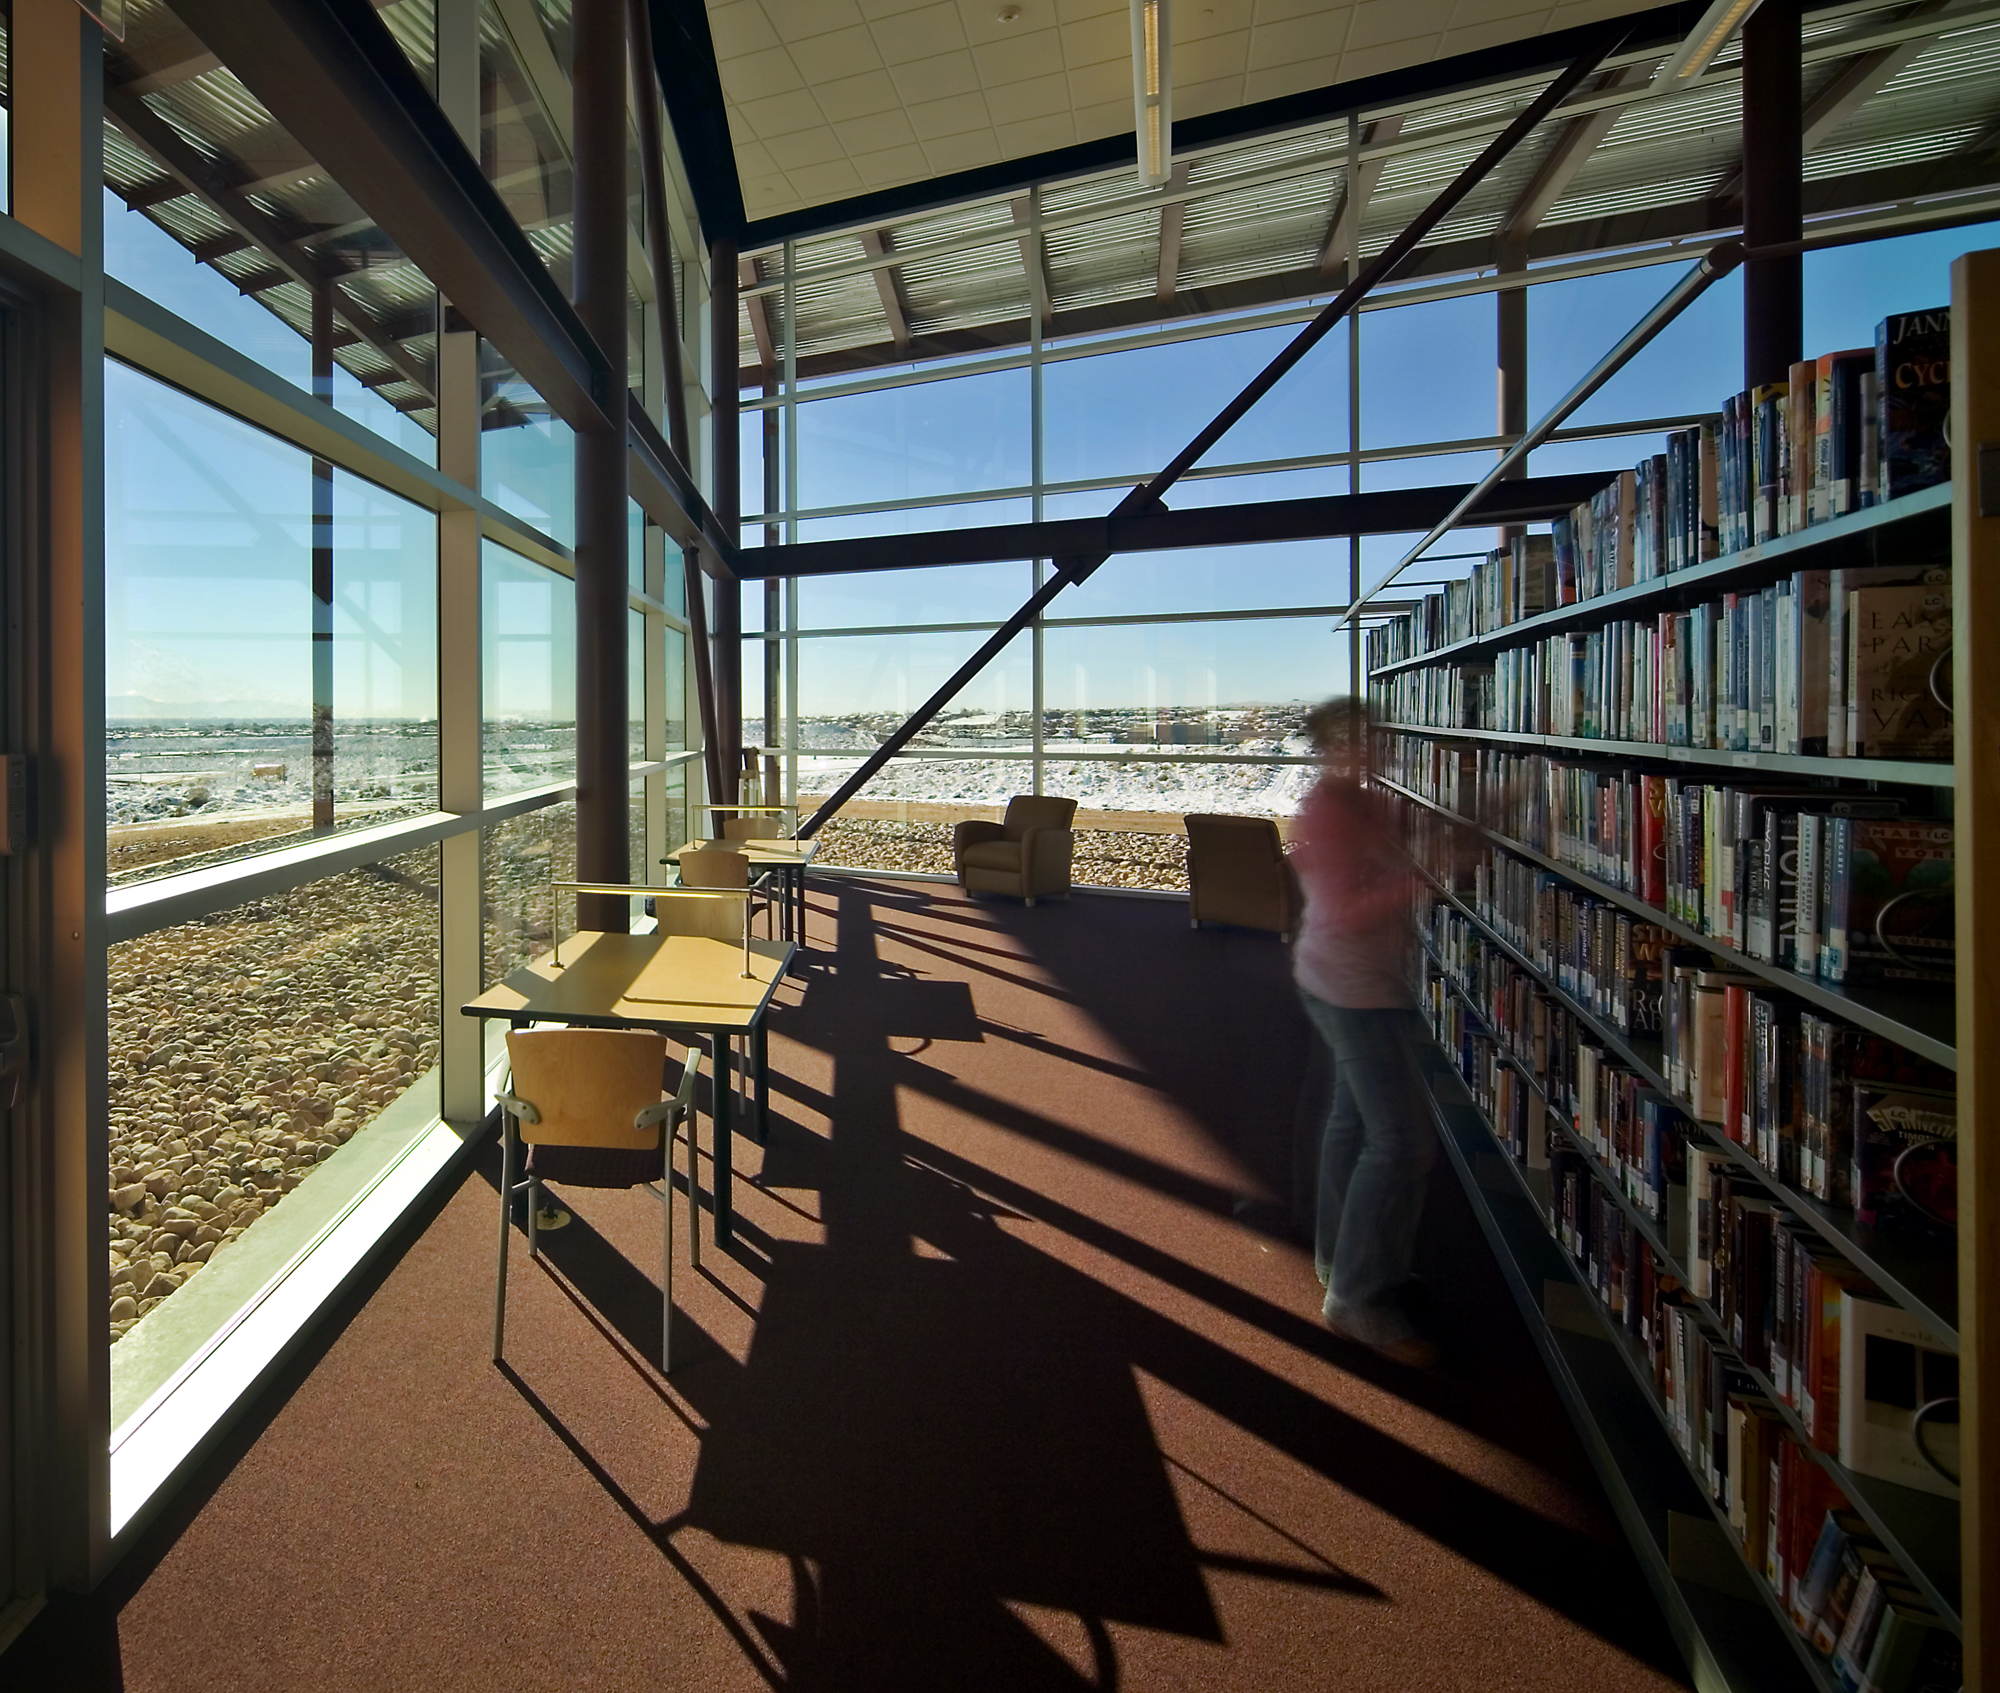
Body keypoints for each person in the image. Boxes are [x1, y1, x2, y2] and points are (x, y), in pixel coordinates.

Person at [1290, 696, 1438, 1368]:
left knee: (1352, 1124)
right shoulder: (1328, 811)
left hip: (1361, 982)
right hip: (1349, 986)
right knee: (1400, 1138)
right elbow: (1347, 910)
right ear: (1326, 745)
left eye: (1371, 735)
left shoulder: (1365, 801)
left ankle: (1341, 1259)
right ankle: (1357, 1294)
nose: (1367, 746)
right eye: (1351, 738)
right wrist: (1424, 880)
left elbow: (1412, 834)